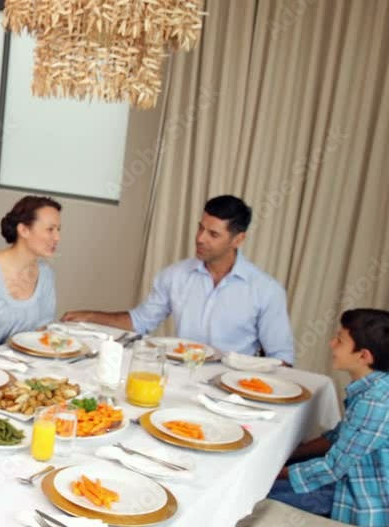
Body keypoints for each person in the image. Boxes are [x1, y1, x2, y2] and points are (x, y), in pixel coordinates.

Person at [63, 195, 295, 365]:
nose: (200, 239)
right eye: (201, 228)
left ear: (238, 239)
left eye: (213, 234)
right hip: (179, 378)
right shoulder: (175, 275)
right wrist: (88, 316)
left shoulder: (266, 290)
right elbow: (141, 321)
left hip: (231, 389)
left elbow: (282, 359)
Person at [268, 309, 389, 525]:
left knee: (258, 494)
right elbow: (338, 436)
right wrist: (292, 453)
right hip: (342, 475)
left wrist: (271, 472)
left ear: (364, 356)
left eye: (340, 341)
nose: (332, 344)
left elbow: (332, 469)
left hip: (356, 495)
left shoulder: (375, 402)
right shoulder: (375, 387)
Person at [0, 196, 61, 349]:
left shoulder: (46, 274)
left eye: (58, 230)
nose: (57, 237)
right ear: (23, 230)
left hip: (20, 368)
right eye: (50, 229)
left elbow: (41, 331)